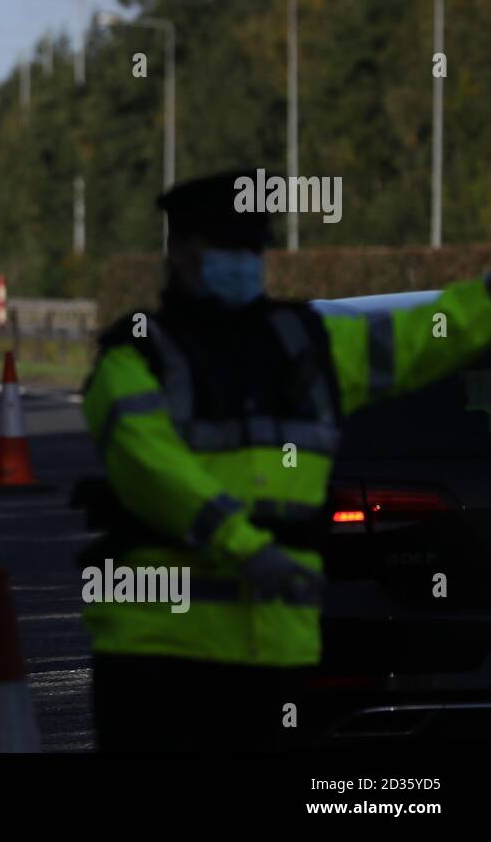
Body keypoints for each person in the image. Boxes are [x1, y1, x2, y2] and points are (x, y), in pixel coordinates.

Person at [80, 168, 491, 752]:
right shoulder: (137, 359)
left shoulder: (307, 342)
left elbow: (428, 336)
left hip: (275, 650)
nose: (242, 261)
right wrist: (250, 552)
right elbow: (157, 475)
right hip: (162, 652)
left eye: (251, 248)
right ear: (179, 254)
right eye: (225, 248)